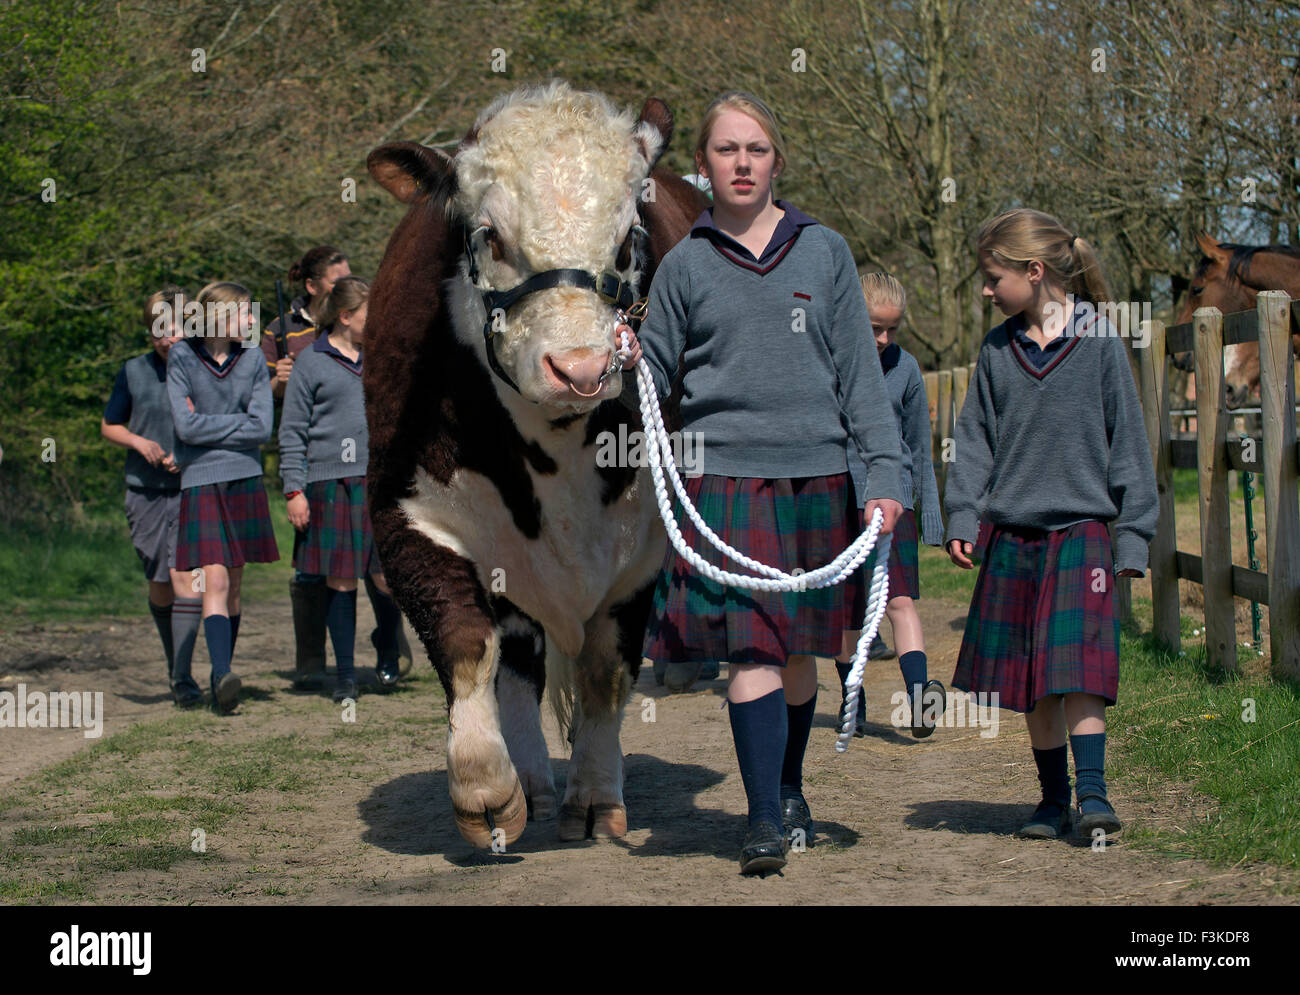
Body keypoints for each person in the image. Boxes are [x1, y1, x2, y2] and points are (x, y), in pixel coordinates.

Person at [618, 91, 903, 875]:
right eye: (725, 151)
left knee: (801, 653)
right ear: (702, 166)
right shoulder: (684, 266)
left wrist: (885, 474)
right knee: (753, 650)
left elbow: (861, 381)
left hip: (819, 475)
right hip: (727, 483)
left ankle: (788, 784)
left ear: (777, 160)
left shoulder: (825, 252)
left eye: (756, 150)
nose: (741, 164)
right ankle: (764, 819)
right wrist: (618, 354)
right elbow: (655, 367)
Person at [943, 208, 1157, 841]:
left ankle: (1094, 794)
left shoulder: (1101, 342)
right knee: (1034, 680)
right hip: (1014, 535)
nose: (986, 290)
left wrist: (1135, 533)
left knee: (1079, 672)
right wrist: (964, 512)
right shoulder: (996, 349)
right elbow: (974, 439)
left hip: (1082, 533)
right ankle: (1050, 797)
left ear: (1033, 272)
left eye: (993, 277)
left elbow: (1130, 443)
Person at [278, 277, 403, 703]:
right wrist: (294, 489)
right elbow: (292, 431)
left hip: (379, 479)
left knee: (389, 578)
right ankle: (347, 676)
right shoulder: (311, 363)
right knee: (341, 580)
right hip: (328, 483)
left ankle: (388, 642)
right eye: (372, 315)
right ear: (346, 317)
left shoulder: (382, 358)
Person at [836, 273, 946, 738]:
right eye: (875, 328)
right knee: (846, 610)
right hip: (843, 499)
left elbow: (920, 447)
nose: (883, 339)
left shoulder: (906, 369)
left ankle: (920, 698)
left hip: (894, 503)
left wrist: (932, 516)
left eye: (892, 330)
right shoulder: (832, 364)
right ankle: (852, 703)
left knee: (899, 602)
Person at [168, 281, 278, 714]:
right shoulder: (181, 355)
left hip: (244, 477)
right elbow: (183, 428)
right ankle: (220, 673)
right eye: (246, 314)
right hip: (201, 480)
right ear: (218, 317)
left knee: (233, 586)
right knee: (213, 579)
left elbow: (261, 429)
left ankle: (223, 673)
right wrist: (233, 424)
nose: (253, 323)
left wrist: (208, 425)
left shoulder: (252, 358)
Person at [101, 287, 204, 706]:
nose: (165, 338)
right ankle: (173, 664)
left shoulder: (205, 368)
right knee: (160, 583)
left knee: (187, 581)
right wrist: (139, 442)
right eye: (157, 330)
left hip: (192, 488)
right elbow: (109, 425)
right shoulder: (132, 371)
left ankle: (184, 678)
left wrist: (189, 452)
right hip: (144, 491)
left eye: (173, 329)